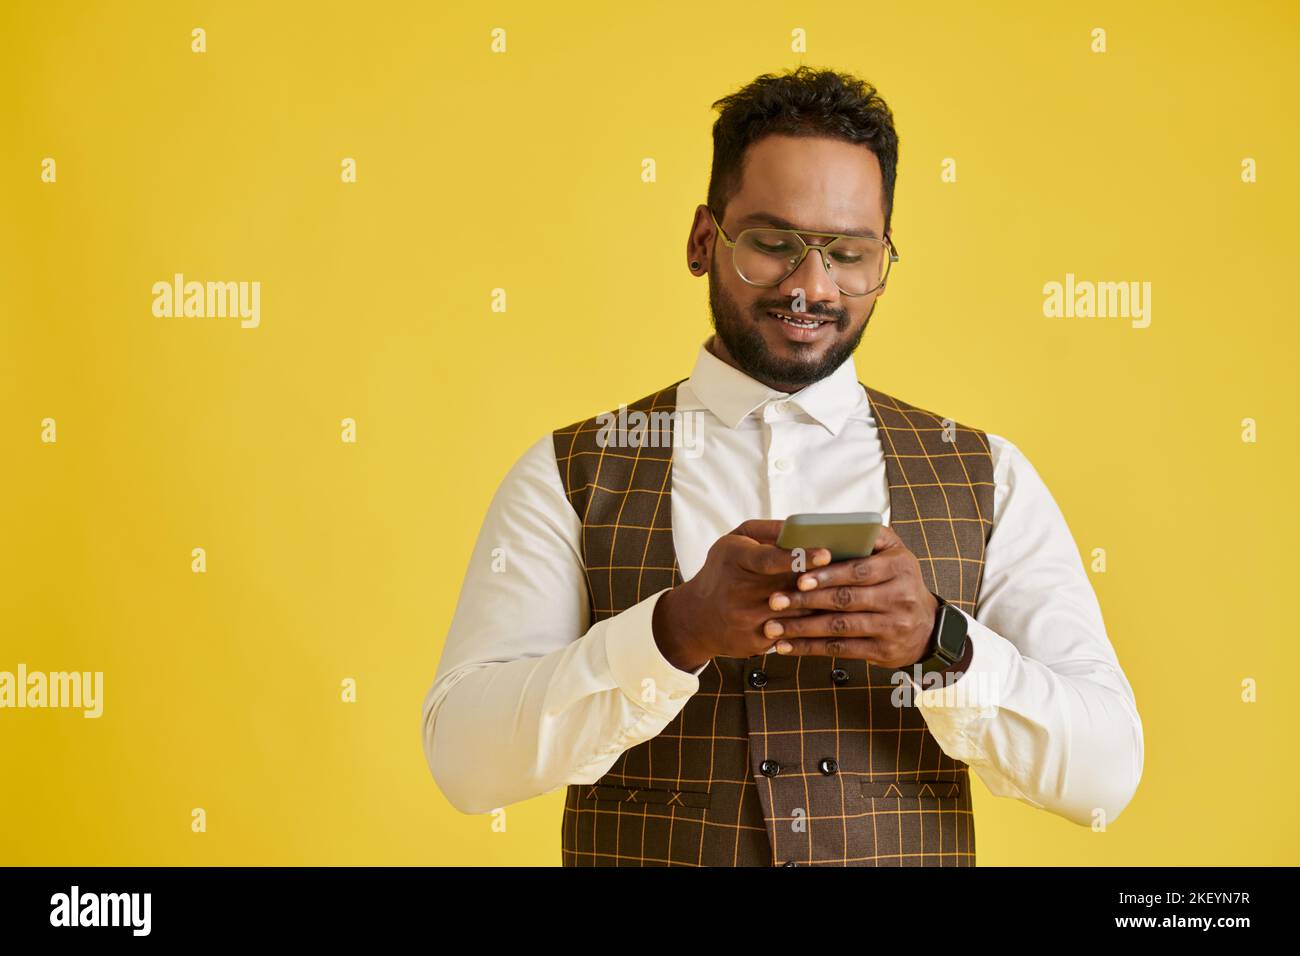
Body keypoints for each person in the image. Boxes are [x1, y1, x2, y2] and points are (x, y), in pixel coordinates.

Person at [421, 66, 1143, 866]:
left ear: (884, 259)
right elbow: (463, 761)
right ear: (704, 240)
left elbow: (1108, 776)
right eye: (773, 244)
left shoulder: (987, 476)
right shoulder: (571, 474)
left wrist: (940, 642)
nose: (811, 286)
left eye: (849, 252)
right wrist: (671, 632)